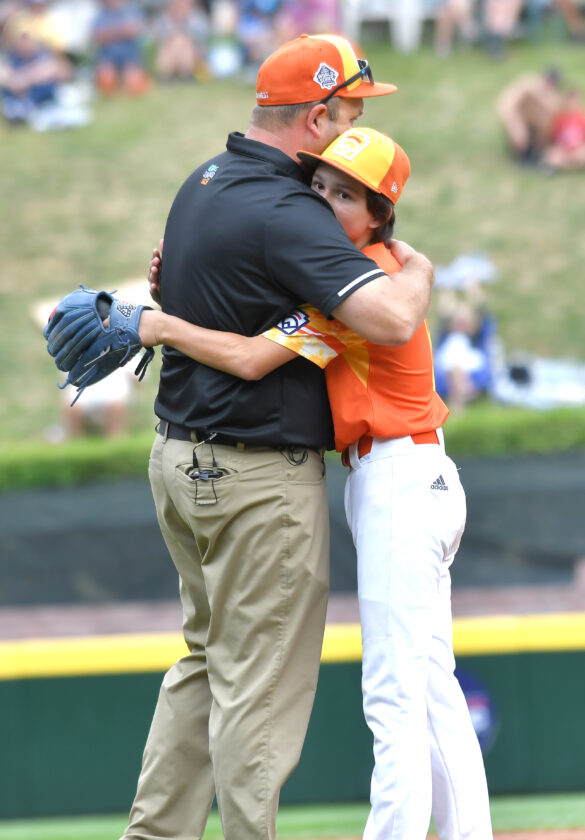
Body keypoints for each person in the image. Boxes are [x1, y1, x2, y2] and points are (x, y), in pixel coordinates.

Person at [121, 33, 434, 840]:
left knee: (202, 665)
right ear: (317, 114)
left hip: (178, 457)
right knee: (259, 687)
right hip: (254, 476)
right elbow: (393, 319)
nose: (353, 126)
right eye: (350, 110)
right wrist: (422, 268)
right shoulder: (288, 210)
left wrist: (156, 319)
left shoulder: (203, 182)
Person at [496, 66, 564, 166]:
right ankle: (521, 153)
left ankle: (536, 153)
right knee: (520, 136)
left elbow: (555, 113)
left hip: (538, 128)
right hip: (519, 120)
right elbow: (508, 104)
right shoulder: (528, 86)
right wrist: (515, 127)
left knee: (546, 119)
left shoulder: (554, 97)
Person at [90, 0, 151, 97]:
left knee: (136, 87)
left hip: (130, 56)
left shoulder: (132, 10)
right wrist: (122, 30)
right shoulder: (101, 14)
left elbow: (133, 31)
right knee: (106, 83)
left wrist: (109, 32)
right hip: (108, 56)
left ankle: (126, 83)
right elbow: (98, 37)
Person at [151, 0, 210, 83]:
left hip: (193, 53)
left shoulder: (197, 18)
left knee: (182, 41)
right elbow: (159, 38)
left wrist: (184, 22)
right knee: (176, 41)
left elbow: (200, 39)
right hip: (170, 51)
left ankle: (183, 74)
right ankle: (171, 74)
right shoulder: (164, 19)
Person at [542, 87, 585, 172]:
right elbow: (553, 139)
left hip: (577, 150)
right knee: (552, 156)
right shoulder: (559, 119)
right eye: (570, 101)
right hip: (563, 151)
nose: (572, 104)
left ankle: (567, 167)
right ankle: (572, 167)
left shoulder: (582, 118)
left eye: (574, 101)